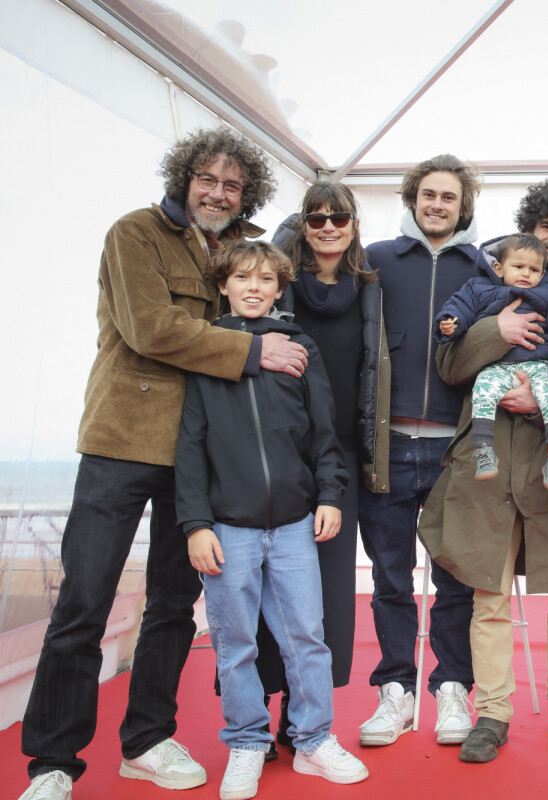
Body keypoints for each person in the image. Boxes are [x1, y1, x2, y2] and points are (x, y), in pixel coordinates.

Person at [19, 128, 309, 800]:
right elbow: (151, 328)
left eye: (232, 185)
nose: (217, 192)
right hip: (122, 440)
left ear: (246, 195)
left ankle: (147, 740)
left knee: (176, 604)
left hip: (198, 455)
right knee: (83, 602)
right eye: (207, 179)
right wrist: (253, 353)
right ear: (184, 179)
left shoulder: (238, 251)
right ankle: (53, 762)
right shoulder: (134, 233)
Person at [177, 240, 367, 798]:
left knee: (308, 637)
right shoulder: (206, 352)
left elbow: (323, 433)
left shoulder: (300, 347)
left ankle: (312, 740)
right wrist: (196, 524)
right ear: (224, 286)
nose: (254, 287)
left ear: (279, 289)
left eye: (265, 279)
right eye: (242, 277)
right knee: (235, 642)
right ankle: (245, 741)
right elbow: (189, 447)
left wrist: (330, 494)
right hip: (227, 527)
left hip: (292, 526)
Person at [418, 177, 548, 763]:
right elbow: (447, 366)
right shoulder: (485, 286)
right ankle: (492, 709)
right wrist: (498, 331)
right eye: (544, 228)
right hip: (486, 462)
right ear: (526, 232)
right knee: (487, 594)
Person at [247, 182, 388, 757]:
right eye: (316, 216)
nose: (328, 226)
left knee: (327, 592)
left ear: (355, 224)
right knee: (264, 585)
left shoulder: (371, 289)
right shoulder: (278, 288)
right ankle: (256, 708)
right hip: (276, 453)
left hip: (342, 460)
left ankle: (300, 714)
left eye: (340, 217)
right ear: (300, 223)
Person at [356, 154, 480, 747]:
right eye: (428, 194)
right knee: (390, 578)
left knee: (455, 579)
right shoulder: (375, 261)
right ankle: (396, 691)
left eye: (448, 197)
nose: (437, 204)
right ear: (412, 199)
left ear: (463, 206)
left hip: (456, 450)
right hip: (388, 449)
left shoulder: (483, 271)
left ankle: (453, 687)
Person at [435, 233, 548, 492]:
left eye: (534, 269)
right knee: (482, 390)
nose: (526, 274)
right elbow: (461, 306)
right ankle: (484, 452)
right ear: (498, 268)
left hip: (538, 365)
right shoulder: (478, 288)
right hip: (497, 365)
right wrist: (451, 322)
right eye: (518, 267)